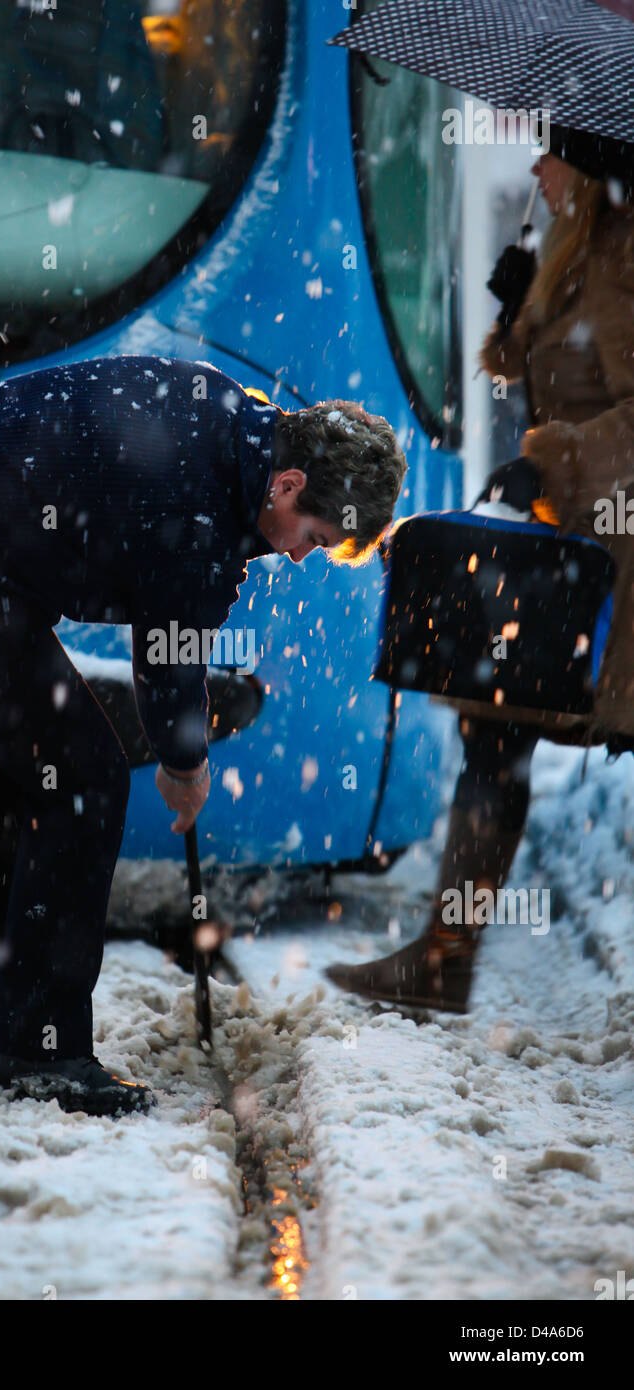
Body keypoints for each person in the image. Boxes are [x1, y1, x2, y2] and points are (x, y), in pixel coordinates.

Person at [0, 354, 406, 1115]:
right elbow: (168, 653)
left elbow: (182, 609)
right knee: (83, 778)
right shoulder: (200, 497)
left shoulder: (227, 431)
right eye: (315, 535)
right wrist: (184, 761)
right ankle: (40, 1053)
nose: (304, 555)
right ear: (290, 484)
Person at [330, 125, 634, 1014]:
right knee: (493, 736)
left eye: (550, 153)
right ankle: (444, 957)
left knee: (506, 735)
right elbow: (536, 372)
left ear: (590, 166)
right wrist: (517, 307)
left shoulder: (621, 261)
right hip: (572, 552)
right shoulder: (568, 248)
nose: (534, 167)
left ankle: (444, 958)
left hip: (614, 556)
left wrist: (555, 462)